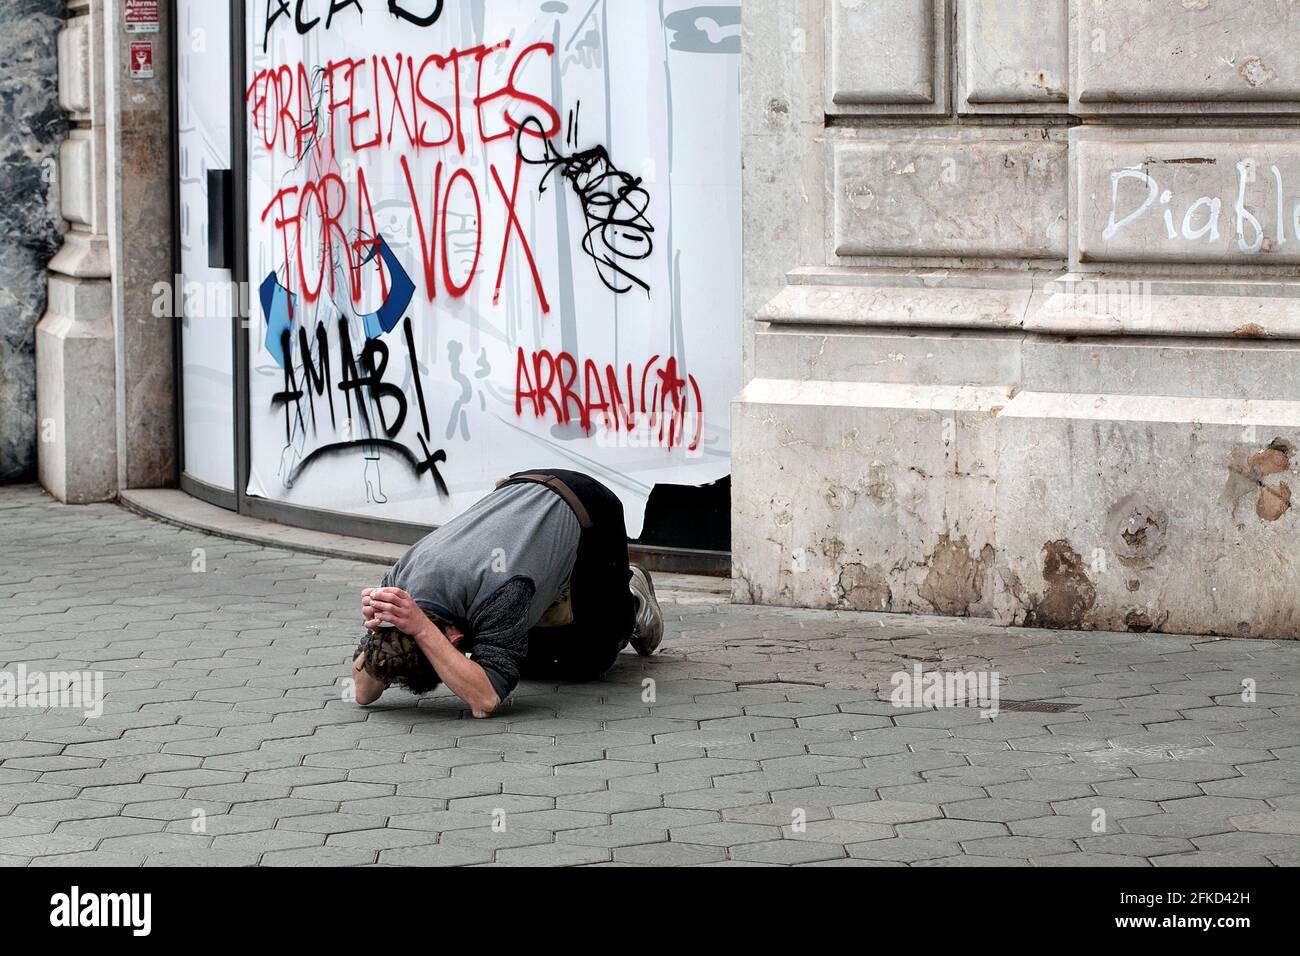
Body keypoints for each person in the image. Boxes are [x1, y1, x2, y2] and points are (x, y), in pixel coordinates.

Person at [349, 468, 664, 716]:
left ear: (456, 638)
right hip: (518, 493)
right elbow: (363, 694)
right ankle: (555, 591)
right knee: (507, 658)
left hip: (587, 503)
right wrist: (380, 633)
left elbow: (485, 699)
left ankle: (631, 598)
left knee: (587, 661)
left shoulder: (499, 591)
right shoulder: (396, 592)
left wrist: (420, 628)